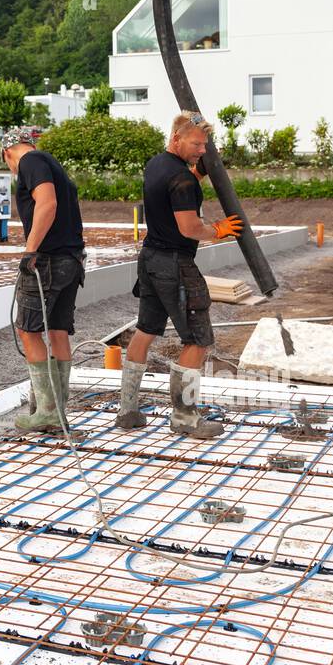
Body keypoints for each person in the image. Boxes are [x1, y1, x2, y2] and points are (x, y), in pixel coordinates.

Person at [115, 111, 242, 440]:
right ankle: (184, 417)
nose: (203, 150)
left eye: (205, 145)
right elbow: (189, 228)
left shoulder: (158, 164)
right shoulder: (183, 180)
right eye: (197, 144)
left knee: (145, 330)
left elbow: (175, 188)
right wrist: (218, 229)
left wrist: (197, 172)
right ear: (176, 139)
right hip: (175, 265)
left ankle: (127, 411)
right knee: (198, 340)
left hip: (150, 260)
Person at [0, 127, 85, 432]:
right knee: (59, 332)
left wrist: (29, 250)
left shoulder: (29, 162)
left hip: (48, 261)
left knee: (28, 330)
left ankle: (47, 412)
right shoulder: (50, 162)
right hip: (72, 260)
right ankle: (57, 412)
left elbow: (47, 204)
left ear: (7, 152)